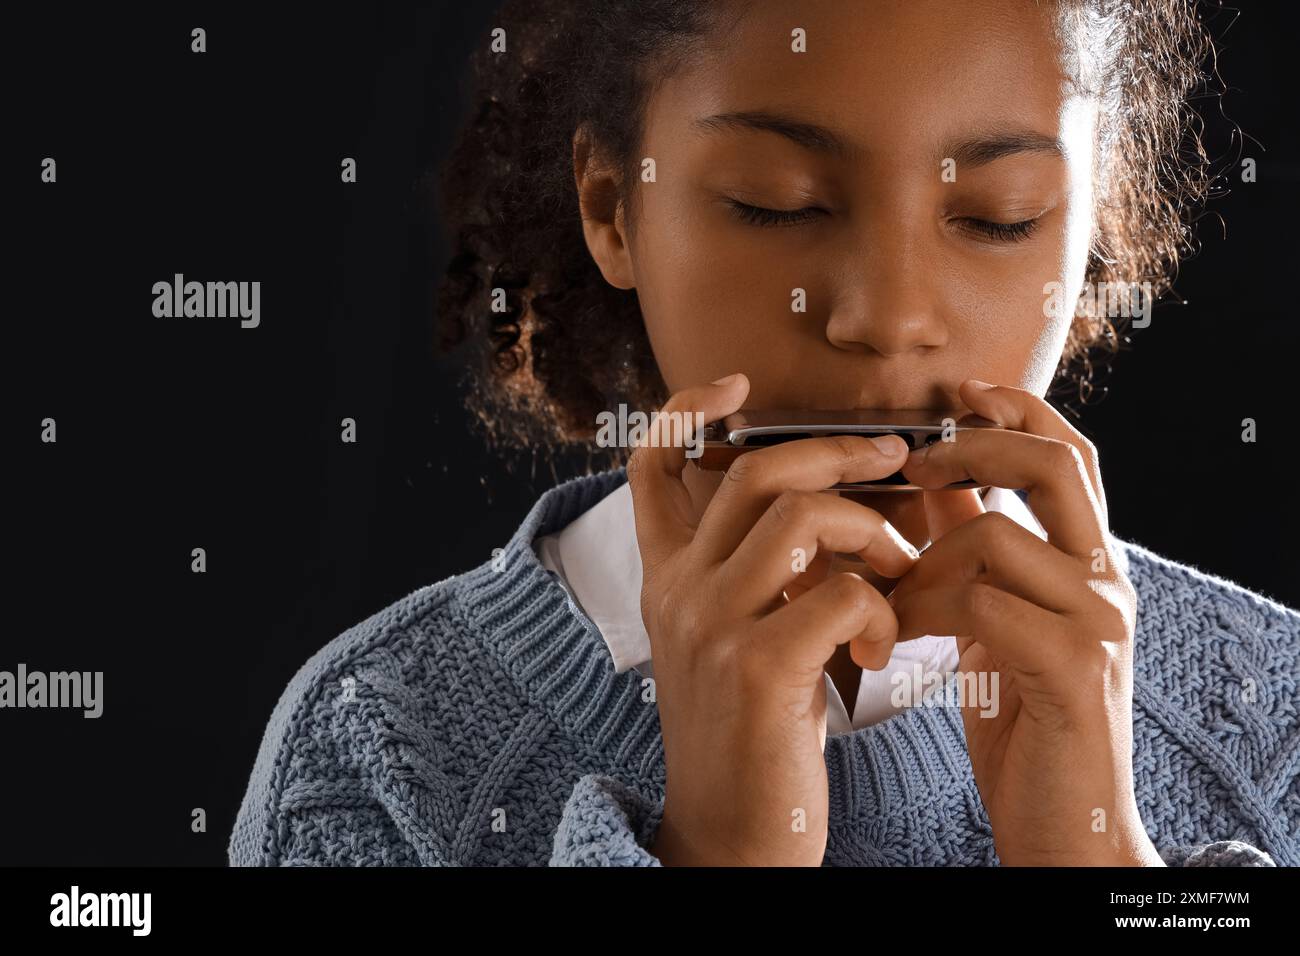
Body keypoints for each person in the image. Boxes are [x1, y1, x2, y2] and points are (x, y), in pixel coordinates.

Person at [229, 0, 1297, 866]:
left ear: (1088, 225)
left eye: (996, 215)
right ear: (612, 208)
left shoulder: (1274, 709)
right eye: (775, 203)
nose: (883, 315)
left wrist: (1101, 860)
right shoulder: (377, 740)